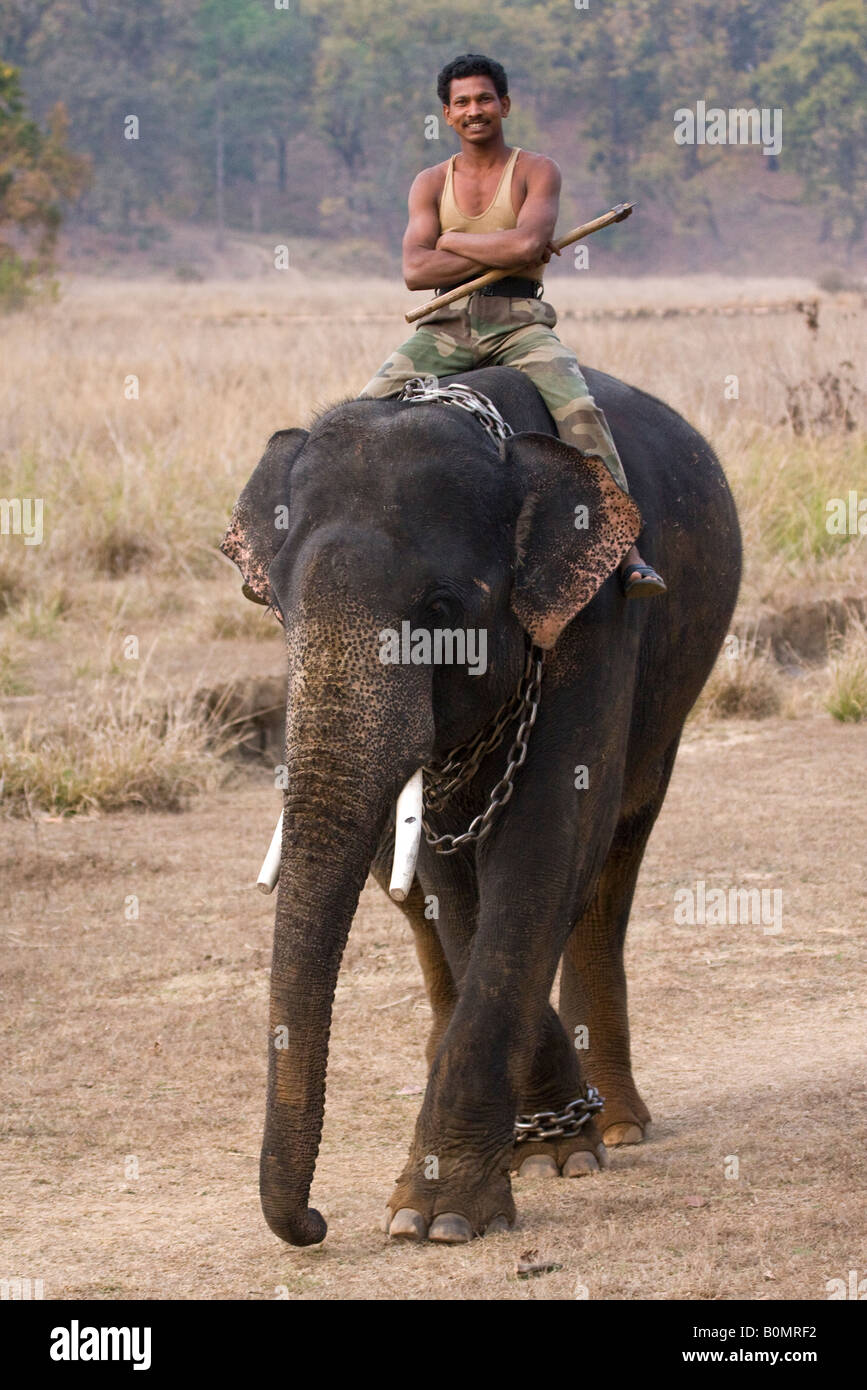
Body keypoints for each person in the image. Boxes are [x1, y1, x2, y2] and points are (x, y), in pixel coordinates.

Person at [359, 52, 666, 598]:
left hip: (520, 323)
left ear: (504, 104)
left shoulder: (536, 170)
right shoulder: (429, 183)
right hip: (445, 326)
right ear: (446, 115)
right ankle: (348, 545)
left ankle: (626, 551)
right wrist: (500, 247)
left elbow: (527, 246)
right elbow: (415, 270)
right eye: (462, 103)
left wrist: (452, 241)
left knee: (580, 411)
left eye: (484, 99)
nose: (474, 110)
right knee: (360, 414)